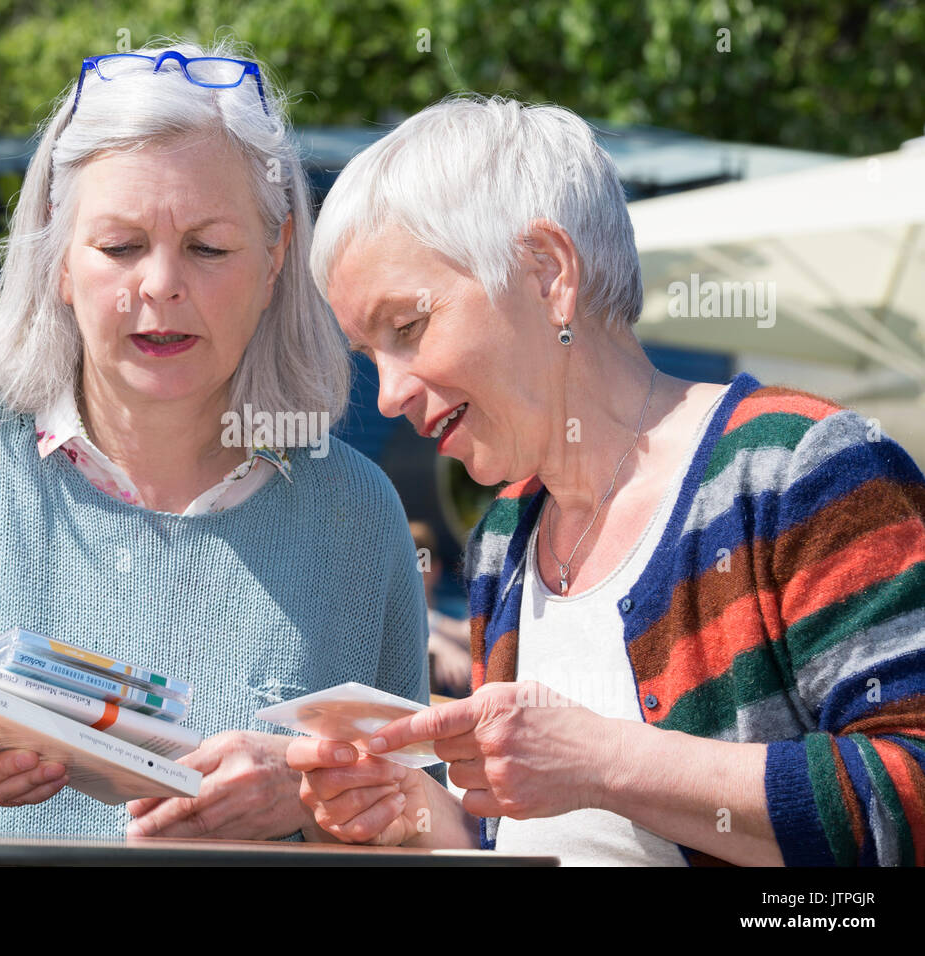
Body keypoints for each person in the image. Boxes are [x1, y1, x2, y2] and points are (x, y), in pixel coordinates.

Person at [0, 40, 438, 840]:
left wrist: (307, 801)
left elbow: (414, 822)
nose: (160, 284)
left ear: (275, 260)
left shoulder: (354, 510)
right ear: (56, 259)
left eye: (208, 247)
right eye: (119, 247)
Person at [289, 94, 925, 866]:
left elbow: (910, 797)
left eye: (408, 328)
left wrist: (603, 761)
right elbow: (554, 837)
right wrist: (421, 815)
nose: (389, 393)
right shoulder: (503, 539)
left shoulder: (799, 469)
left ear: (549, 273)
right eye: (369, 354)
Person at [409, 519, 471, 698]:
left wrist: (429, 620)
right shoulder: (386, 614)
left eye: (421, 562)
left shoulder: (455, 608)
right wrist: (437, 643)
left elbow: (474, 634)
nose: (414, 571)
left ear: (435, 568)